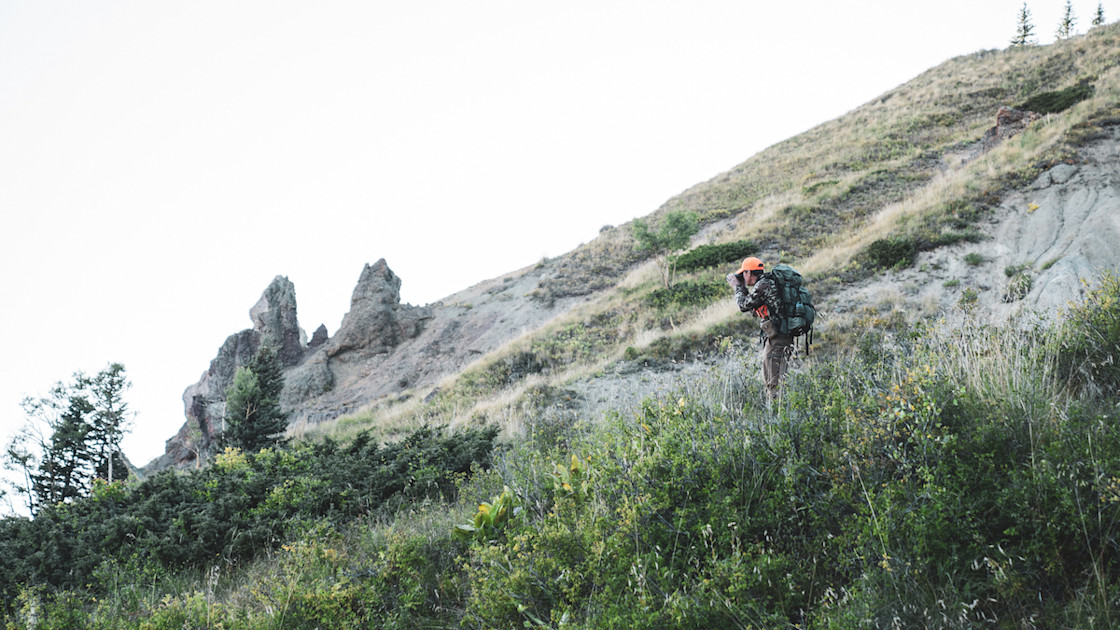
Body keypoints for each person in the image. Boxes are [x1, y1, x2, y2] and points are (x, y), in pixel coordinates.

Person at [726, 256, 793, 403]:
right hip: (780, 336)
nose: (742, 277)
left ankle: (777, 411)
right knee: (773, 374)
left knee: (773, 378)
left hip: (779, 338)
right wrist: (742, 287)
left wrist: (737, 287)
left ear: (749, 273)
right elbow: (754, 307)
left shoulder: (763, 285)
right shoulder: (767, 283)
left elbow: (744, 305)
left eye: (743, 274)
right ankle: (779, 407)